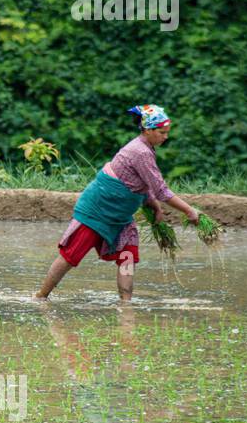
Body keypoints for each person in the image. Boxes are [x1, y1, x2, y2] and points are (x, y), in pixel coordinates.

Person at [35, 105, 200, 301]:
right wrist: (190, 211)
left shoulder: (146, 150)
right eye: (162, 132)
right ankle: (41, 296)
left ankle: (126, 304)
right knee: (71, 256)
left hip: (120, 215)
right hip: (98, 210)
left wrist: (153, 206)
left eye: (166, 133)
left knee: (127, 256)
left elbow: (140, 184)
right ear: (148, 130)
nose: (165, 137)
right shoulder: (140, 152)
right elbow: (161, 190)